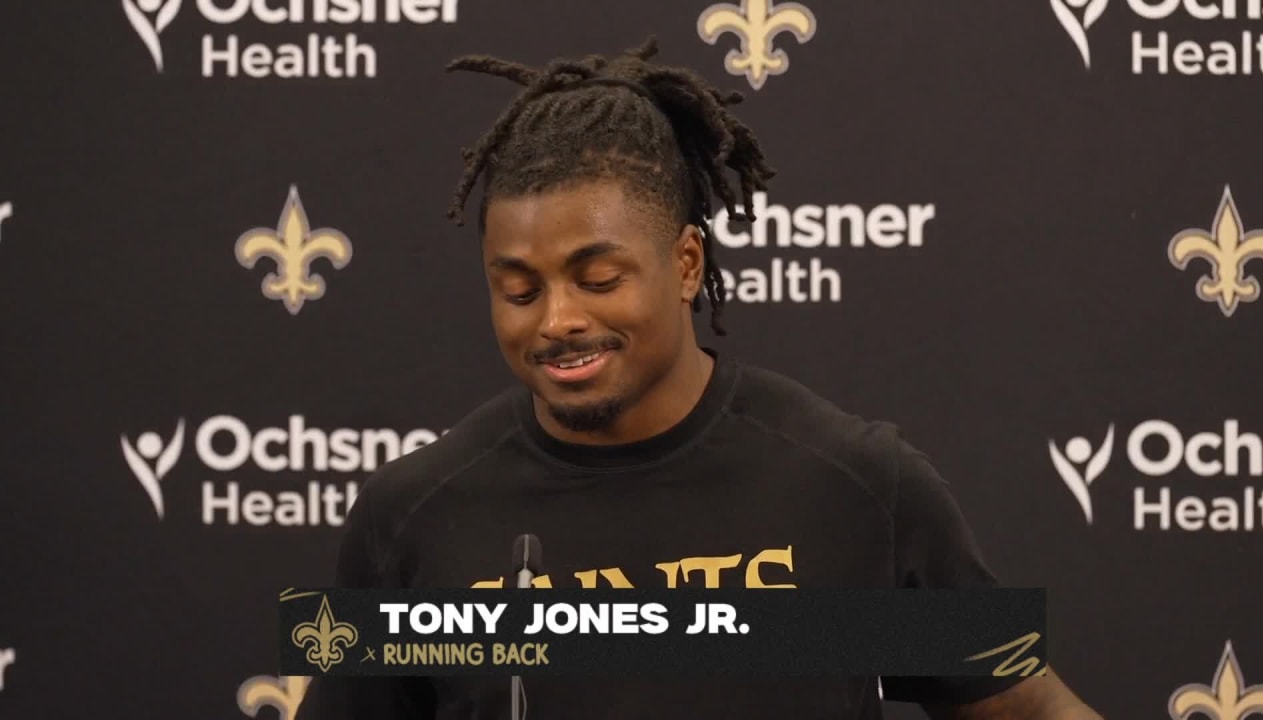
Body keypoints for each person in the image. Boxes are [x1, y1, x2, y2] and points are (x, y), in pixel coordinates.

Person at [295, 37, 1103, 720]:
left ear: (686, 264)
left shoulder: (855, 488)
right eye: (518, 289)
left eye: (599, 278)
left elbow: (1029, 710)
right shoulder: (413, 514)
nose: (556, 320)